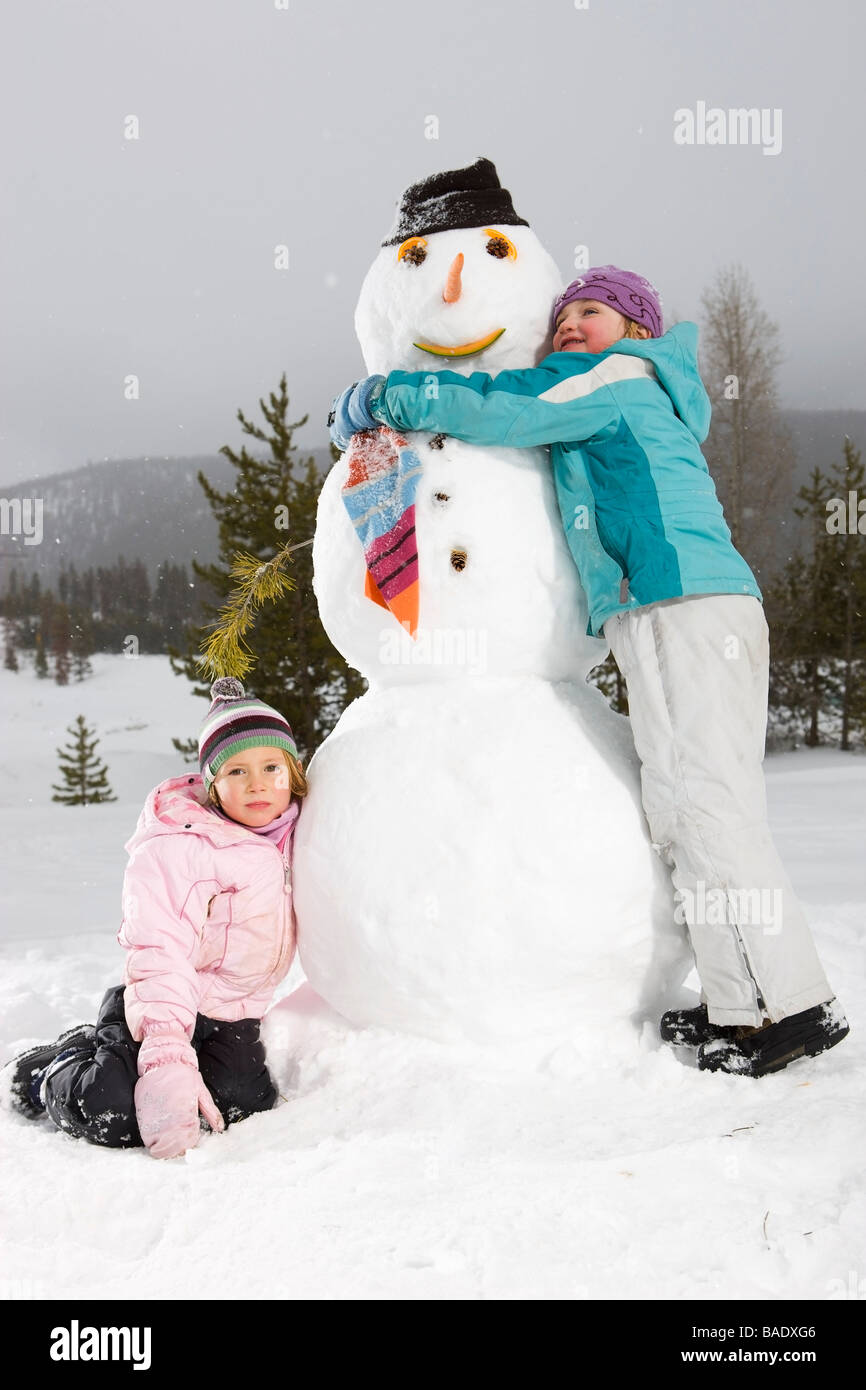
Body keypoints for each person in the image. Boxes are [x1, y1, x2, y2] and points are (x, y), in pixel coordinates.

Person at [329, 264, 849, 1078]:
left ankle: (780, 1013)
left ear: (638, 327)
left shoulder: (620, 377)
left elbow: (511, 409)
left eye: (593, 311)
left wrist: (390, 398)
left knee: (704, 804)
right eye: (564, 314)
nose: (571, 324)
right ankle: (755, 1000)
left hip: (683, 605)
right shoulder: (628, 382)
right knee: (693, 803)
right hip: (685, 609)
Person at [4, 678, 307, 1157]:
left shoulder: (294, 832)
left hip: (232, 1011)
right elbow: (159, 950)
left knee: (241, 1106)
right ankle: (53, 1067)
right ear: (211, 784)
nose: (257, 784)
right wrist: (166, 1055)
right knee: (114, 1112)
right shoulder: (182, 845)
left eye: (271, 766)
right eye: (236, 771)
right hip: (163, 997)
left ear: (293, 769)